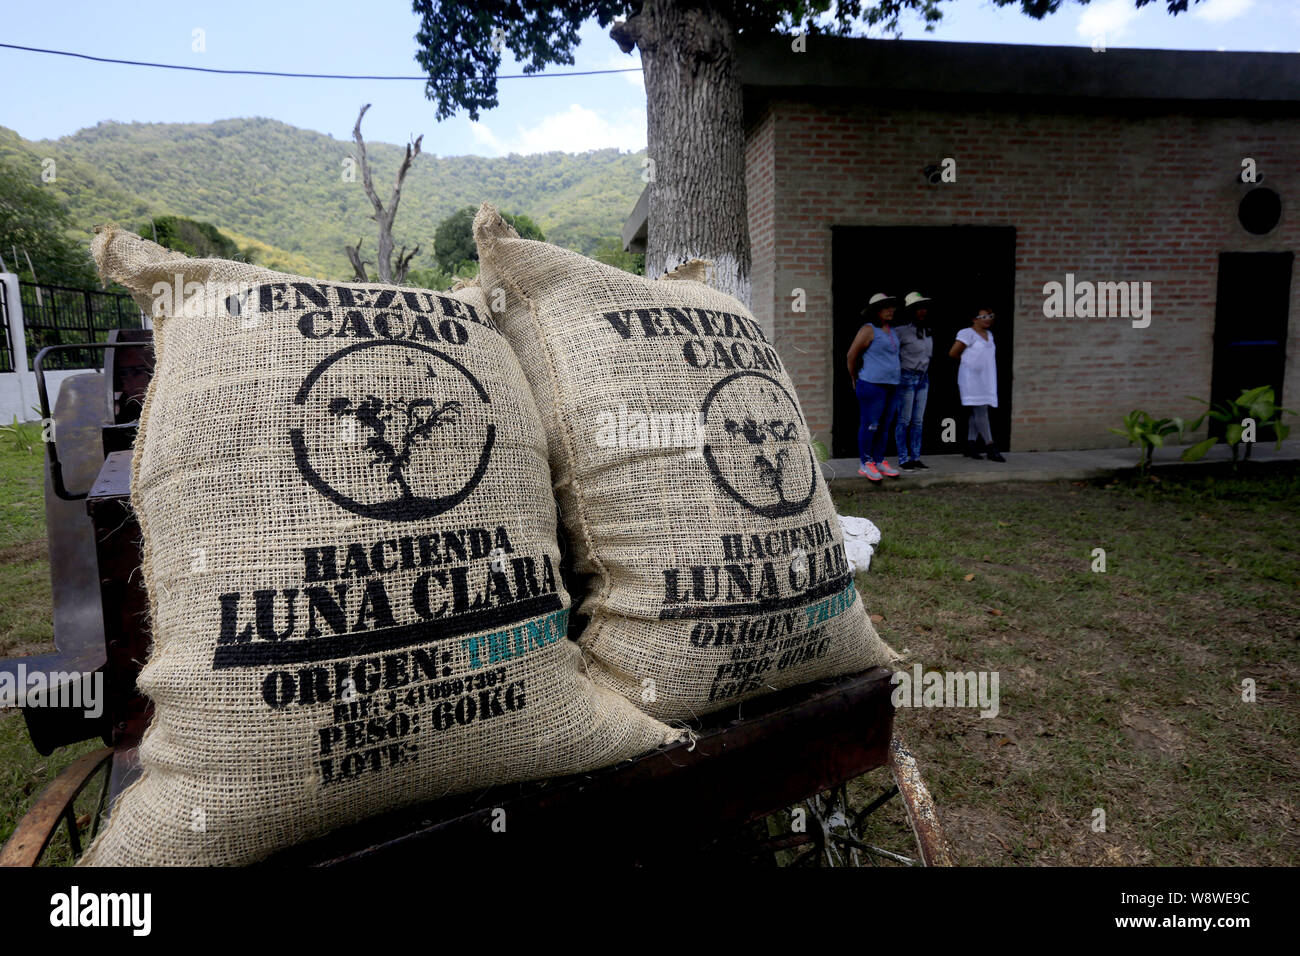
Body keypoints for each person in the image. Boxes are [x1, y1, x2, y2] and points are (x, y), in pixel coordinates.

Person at [846, 293, 902, 481]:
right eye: (886, 307)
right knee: (871, 425)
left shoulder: (891, 330)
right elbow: (851, 356)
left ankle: (879, 460)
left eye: (892, 307)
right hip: (872, 384)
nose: (891, 310)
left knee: (885, 426)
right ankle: (866, 463)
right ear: (876, 311)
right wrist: (854, 377)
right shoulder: (869, 330)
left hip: (892, 385)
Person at [948, 306, 1006, 462]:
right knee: (981, 410)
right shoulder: (967, 333)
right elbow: (953, 353)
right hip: (971, 379)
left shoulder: (990, 335)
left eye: (990, 316)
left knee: (978, 410)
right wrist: (969, 363)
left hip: (986, 379)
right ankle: (990, 446)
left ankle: (970, 444)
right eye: (984, 317)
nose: (988, 319)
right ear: (974, 319)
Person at [894, 292, 933, 470]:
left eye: (924, 308)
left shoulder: (928, 331)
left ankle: (915, 456)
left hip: (923, 378)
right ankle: (903, 458)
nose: (922, 312)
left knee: (918, 421)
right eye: (918, 308)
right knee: (904, 420)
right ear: (911, 311)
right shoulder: (901, 331)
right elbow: (890, 353)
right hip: (907, 378)